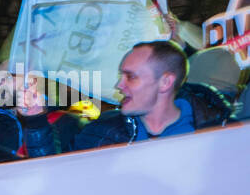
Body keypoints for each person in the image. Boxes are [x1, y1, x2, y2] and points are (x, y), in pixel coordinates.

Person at [75, 42, 212, 150]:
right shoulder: (100, 132)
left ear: (165, 82)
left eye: (131, 76)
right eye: (120, 76)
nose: (119, 85)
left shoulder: (218, 131)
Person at [0, 68, 82, 158]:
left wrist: (36, 120)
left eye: (8, 77)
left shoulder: (64, 121)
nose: (1, 84)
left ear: (32, 81)